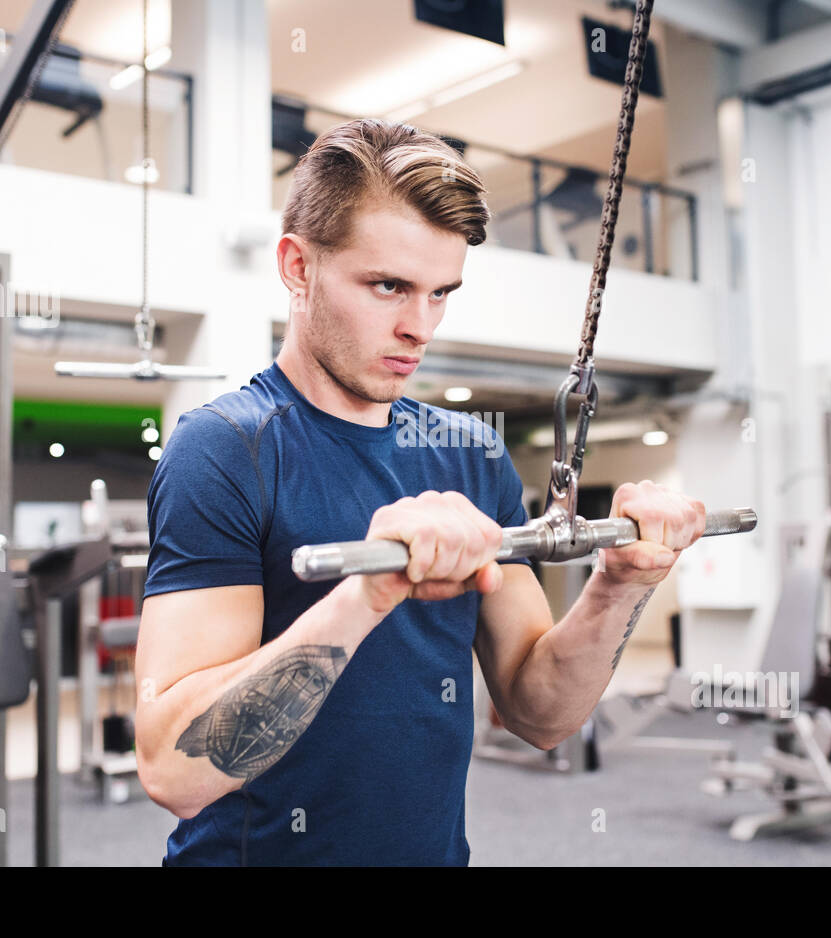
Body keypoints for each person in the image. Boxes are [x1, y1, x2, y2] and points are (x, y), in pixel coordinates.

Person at [136, 118, 705, 866]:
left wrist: (619, 586)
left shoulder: (471, 455)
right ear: (296, 266)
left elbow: (540, 712)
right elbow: (171, 769)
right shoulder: (226, 450)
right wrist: (371, 593)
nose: (420, 326)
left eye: (442, 293)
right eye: (388, 287)